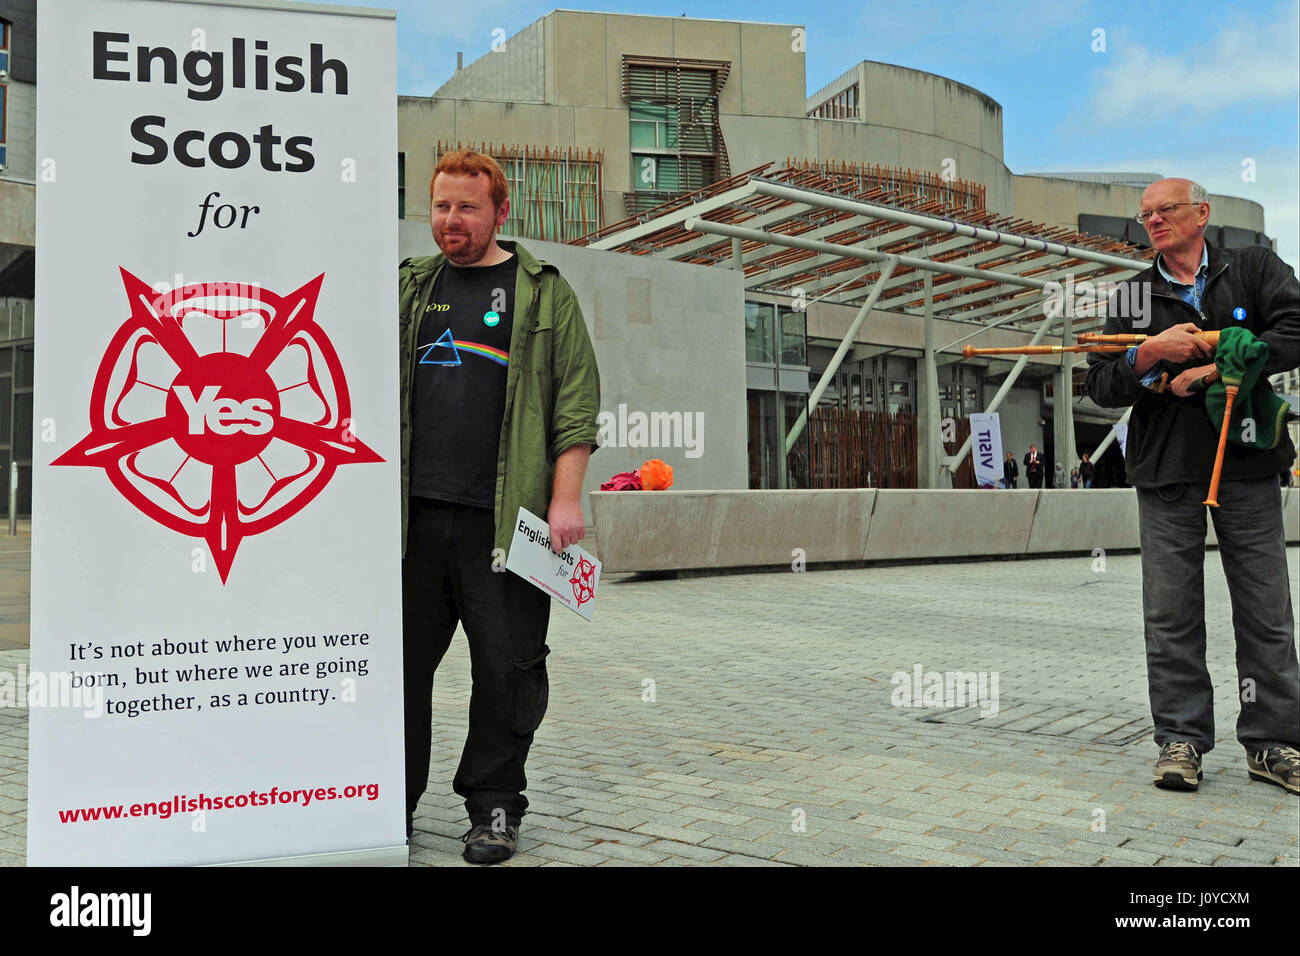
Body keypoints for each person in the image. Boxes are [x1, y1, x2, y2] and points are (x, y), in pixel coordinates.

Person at [399, 150, 602, 862]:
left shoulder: (543, 292)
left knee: (508, 669)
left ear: (499, 212)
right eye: (441, 206)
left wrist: (565, 498)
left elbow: (575, 404)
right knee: (398, 669)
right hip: (412, 524)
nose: (451, 221)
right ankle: (388, 801)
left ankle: (493, 807)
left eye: (467, 208)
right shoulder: (410, 285)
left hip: (504, 521)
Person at [1084, 177, 1299, 795]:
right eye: (1145, 214)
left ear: (1201, 214)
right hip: (1168, 469)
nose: (1152, 221)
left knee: (1266, 610)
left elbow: (1296, 327)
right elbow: (1099, 384)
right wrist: (1149, 360)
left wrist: (1223, 358)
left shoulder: (1253, 268)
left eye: (1165, 211)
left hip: (1247, 465)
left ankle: (1274, 742)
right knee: (1170, 614)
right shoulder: (1132, 295)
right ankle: (1180, 739)